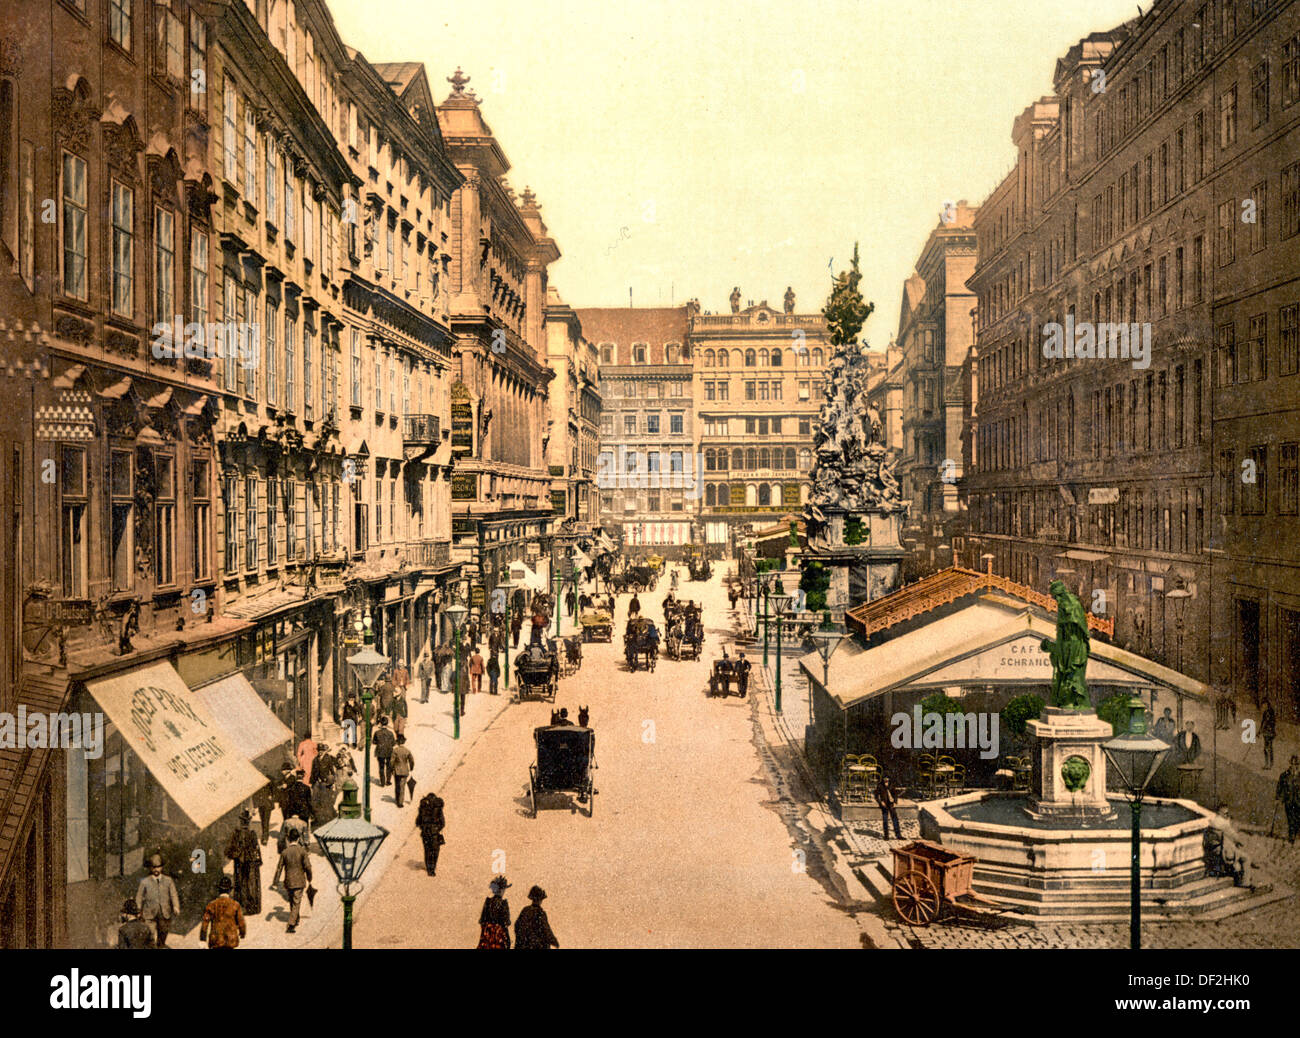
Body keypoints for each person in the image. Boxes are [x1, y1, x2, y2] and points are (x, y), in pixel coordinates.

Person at [135, 854, 181, 947]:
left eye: (158, 867)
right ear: (150, 868)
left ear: (162, 867)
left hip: (164, 913)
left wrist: (176, 906)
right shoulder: (145, 881)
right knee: (150, 935)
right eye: (153, 867)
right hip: (149, 914)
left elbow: (173, 894)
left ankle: (160, 946)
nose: (156, 870)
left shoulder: (168, 880)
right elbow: (139, 896)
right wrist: (138, 909)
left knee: (163, 935)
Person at [272, 829, 312, 934]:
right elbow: (308, 866)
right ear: (298, 839)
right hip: (299, 880)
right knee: (296, 902)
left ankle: (295, 918)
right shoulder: (302, 851)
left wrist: (275, 882)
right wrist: (309, 877)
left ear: (289, 839)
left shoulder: (285, 852)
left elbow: (279, 867)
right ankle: (291, 924)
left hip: (288, 881)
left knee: (292, 901)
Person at [225, 810, 263, 914]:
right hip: (251, 862)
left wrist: (234, 855)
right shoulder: (252, 834)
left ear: (241, 822)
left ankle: (241, 906)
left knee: (240, 882)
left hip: (239, 862)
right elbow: (257, 849)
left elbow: (229, 850)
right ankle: (252, 907)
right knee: (251, 883)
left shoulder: (236, 833)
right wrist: (258, 861)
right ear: (249, 822)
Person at [199, 876, 247, 949]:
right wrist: (242, 932)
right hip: (230, 940)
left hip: (216, 940)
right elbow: (241, 922)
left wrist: (203, 939)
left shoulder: (212, 904)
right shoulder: (235, 905)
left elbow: (205, 922)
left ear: (219, 890)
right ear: (229, 890)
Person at [416, 792, 446, 876]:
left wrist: (423, 827)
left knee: (427, 850)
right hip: (435, 833)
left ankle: (429, 869)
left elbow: (418, 821)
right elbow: (443, 823)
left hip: (425, 833)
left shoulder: (423, 806)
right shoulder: (438, 807)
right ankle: (433, 868)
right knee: (435, 851)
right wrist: (437, 828)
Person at [477, 876, 512, 949]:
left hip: (487, 935)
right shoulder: (503, 903)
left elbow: (483, 920)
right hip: (499, 936)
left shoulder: (488, 902)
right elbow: (506, 923)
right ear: (501, 890)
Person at [1276, 755, 1300, 843]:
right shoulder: (1284, 775)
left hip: (1298, 801)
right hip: (1288, 801)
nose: (1294, 766)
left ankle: (1296, 833)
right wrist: (1278, 798)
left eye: (1296, 764)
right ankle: (1291, 836)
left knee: (1297, 818)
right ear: (1290, 764)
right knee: (1290, 818)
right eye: (1292, 764)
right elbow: (1279, 787)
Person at [875, 773, 903, 840]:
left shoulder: (892, 785)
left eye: (887, 778)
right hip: (884, 804)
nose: (886, 779)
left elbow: (895, 794)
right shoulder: (879, 786)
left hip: (891, 804)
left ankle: (898, 835)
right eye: (885, 778)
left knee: (895, 819)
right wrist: (881, 802)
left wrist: (895, 802)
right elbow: (876, 796)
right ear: (883, 779)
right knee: (885, 820)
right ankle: (886, 836)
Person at [390, 734, 416, 807]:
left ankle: (397, 799)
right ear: (404, 742)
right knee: (402, 786)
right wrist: (411, 768)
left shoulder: (395, 750)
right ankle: (400, 802)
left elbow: (392, 761)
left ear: (398, 742)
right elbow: (412, 760)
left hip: (397, 770)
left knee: (397, 785)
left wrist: (392, 769)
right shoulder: (407, 751)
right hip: (405, 770)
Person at [373, 716, 396, 787]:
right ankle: (388, 781)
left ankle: (382, 782)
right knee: (389, 766)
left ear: (380, 723)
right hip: (389, 751)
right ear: (387, 723)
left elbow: (374, 742)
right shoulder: (391, 733)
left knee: (381, 767)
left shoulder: (377, 732)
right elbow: (393, 743)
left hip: (380, 751)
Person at [1261, 697, 1277, 769]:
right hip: (1265, 732)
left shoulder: (1271, 712)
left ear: (1267, 704)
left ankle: (1271, 763)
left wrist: (1270, 728)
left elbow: (1273, 722)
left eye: (1264, 704)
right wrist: (1259, 731)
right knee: (1265, 748)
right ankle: (1266, 763)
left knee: (1269, 748)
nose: (1263, 706)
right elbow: (1263, 722)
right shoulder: (1265, 713)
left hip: (1270, 732)